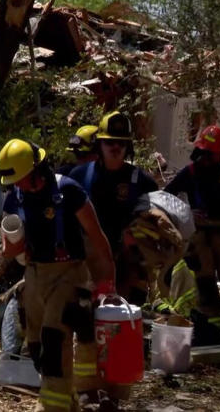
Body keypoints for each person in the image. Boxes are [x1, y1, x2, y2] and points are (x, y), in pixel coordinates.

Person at [0, 139, 115, 412]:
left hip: (69, 274)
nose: (18, 185)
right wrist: (11, 248)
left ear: (36, 170)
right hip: (35, 276)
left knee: (54, 340)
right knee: (39, 349)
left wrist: (107, 283)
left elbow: (98, 239)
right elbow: (6, 249)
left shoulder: (67, 191)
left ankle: (52, 407)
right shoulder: (14, 197)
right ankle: (70, 401)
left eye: (22, 179)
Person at [164, 125, 220, 339]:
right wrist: (187, 213)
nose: (217, 159)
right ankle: (214, 331)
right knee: (206, 283)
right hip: (199, 236)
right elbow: (166, 197)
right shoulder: (190, 173)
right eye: (215, 154)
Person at [69, 111, 158, 305]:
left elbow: (156, 219)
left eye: (122, 142)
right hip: (88, 264)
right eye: (110, 142)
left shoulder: (142, 181)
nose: (116, 147)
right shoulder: (78, 177)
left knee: (120, 316)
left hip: (126, 263)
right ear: (99, 145)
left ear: (129, 147)